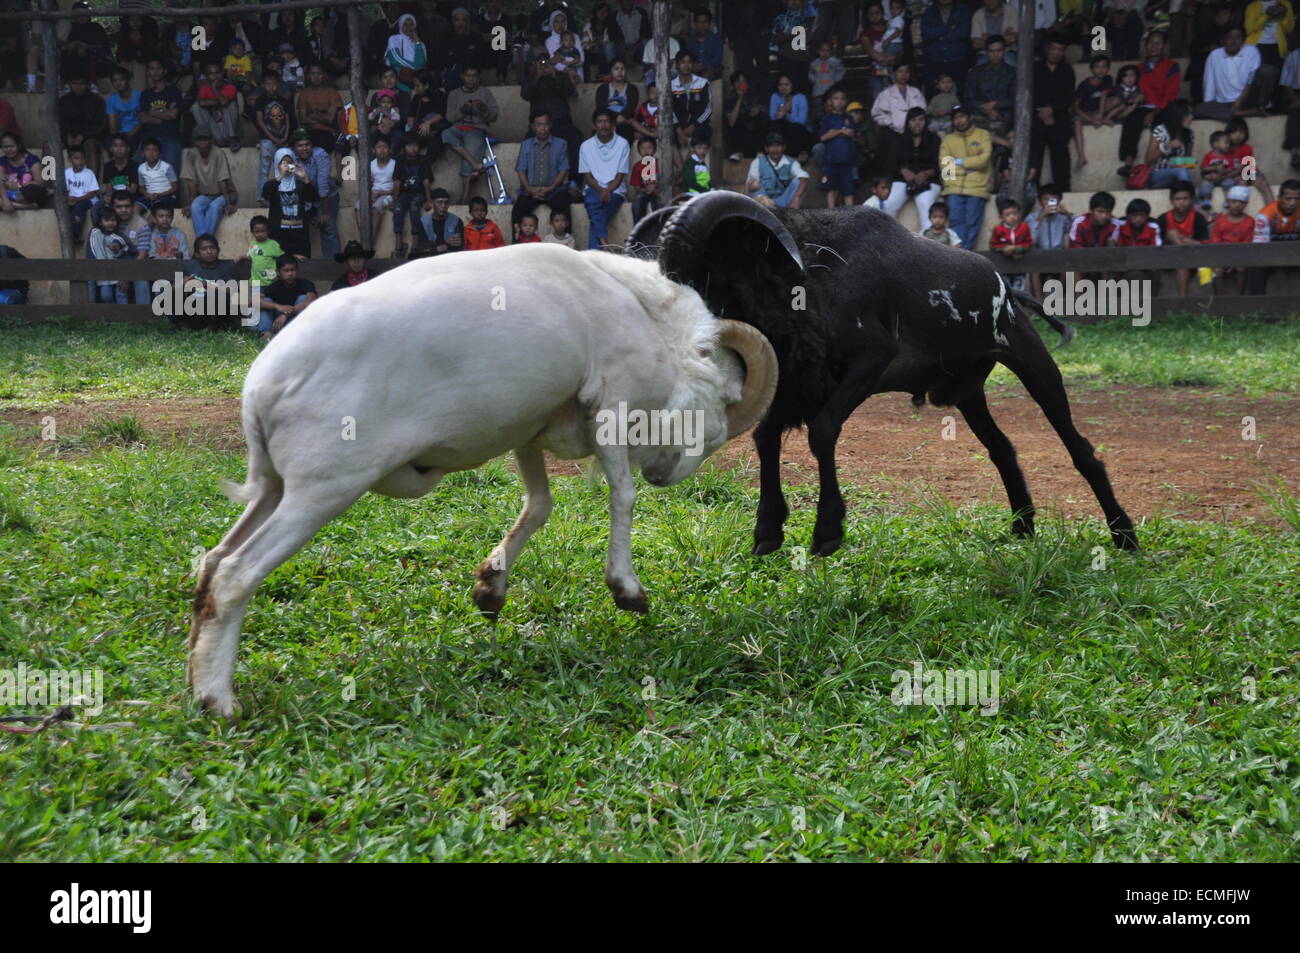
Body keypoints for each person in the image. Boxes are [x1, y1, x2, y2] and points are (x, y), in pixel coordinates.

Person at [1118, 31, 1180, 177]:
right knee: (1132, 120)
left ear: (1164, 46)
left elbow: (1171, 92)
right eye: (1151, 43)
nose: (1154, 46)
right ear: (1145, 46)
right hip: (1144, 106)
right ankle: (1128, 163)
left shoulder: (1172, 66)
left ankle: (1178, 163)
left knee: (1172, 120)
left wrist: (1156, 111)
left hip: (1165, 106)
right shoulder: (1138, 69)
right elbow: (1133, 90)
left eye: (1158, 43)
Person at [443, 66, 499, 204]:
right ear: (462, 77)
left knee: (469, 155)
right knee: (445, 134)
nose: (471, 79)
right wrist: (463, 110)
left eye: (474, 76)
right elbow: (449, 117)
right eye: (468, 75)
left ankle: (464, 199)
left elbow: (494, 116)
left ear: (478, 77)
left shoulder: (485, 92)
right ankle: (475, 163)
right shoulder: (454, 94)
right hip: (457, 127)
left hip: (476, 129)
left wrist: (483, 109)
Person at [939, 104, 991, 249]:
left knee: (972, 223)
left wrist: (959, 162)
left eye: (962, 116)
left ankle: (965, 260)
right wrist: (970, 167)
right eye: (955, 118)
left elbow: (984, 160)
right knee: (955, 222)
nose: (959, 120)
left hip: (977, 187)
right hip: (953, 188)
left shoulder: (983, 135)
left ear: (969, 117)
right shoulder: (948, 139)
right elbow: (946, 167)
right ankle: (959, 260)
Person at [1196, 26, 1277, 119]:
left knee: (1267, 70)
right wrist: (1208, 105)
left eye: (1238, 37)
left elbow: (1251, 82)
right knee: (1199, 109)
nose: (1233, 41)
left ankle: (1259, 108)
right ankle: (1248, 113)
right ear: (1223, 41)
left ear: (1243, 40)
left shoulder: (1251, 51)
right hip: (1224, 104)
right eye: (1230, 37)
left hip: (1247, 100)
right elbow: (1209, 82)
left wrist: (1239, 102)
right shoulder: (1214, 55)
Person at [514, 111, 571, 236]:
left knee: (564, 207)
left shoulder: (561, 144)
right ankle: (517, 242)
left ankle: (566, 244)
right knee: (518, 210)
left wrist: (551, 188)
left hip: (554, 190)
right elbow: (521, 170)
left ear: (550, 125)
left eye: (545, 124)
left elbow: (563, 170)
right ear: (533, 127)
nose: (542, 128)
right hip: (531, 190)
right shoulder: (526, 144)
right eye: (538, 125)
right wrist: (529, 189)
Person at [580, 109, 630, 250]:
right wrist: (601, 190)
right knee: (592, 200)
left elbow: (620, 174)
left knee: (596, 214)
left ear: (613, 124)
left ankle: (598, 245)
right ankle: (603, 241)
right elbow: (587, 176)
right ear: (594, 125)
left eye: (607, 121)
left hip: (615, 190)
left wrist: (608, 190)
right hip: (594, 188)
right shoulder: (585, 146)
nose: (603, 125)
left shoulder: (623, 144)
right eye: (600, 122)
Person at [1030, 36, 1075, 193]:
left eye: (1060, 50)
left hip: (1059, 117)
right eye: (1054, 49)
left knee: (1061, 155)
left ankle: (1063, 190)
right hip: (1036, 116)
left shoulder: (1067, 70)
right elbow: (1029, 93)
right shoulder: (1035, 68)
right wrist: (1042, 111)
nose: (1056, 53)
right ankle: (1032, 189)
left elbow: (1069, 96)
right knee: (1034, 154)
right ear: (1047, 49)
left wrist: (1052, 110)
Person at [881, 107, 942, 222]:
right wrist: (902, 170)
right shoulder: (900, 140)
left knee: (926, 206)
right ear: (908, 122)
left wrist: (927, 173)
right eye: (913, 120)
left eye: (921, 120)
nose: (917, 124)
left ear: (926, 121)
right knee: (889, 204)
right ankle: (889, 237)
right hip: (903, 180)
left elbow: (943, 164)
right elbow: (890, 164)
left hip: (929, 181)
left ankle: (926, 239)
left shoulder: (934, 139)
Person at [292, 129, 339, 260]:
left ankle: (332, 265)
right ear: (294, 148)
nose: (304, 148)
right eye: (300, 145)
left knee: (329, 228)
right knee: (298, 228)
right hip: (305, 197)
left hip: (326, 196)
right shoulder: (292, 158)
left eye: (307, 144)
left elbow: (323, 186)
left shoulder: (320, 154)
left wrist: (325, 212)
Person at [1156, 181, 1210, 296]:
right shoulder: (1163, 219)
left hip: (1193, 258)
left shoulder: (1198, 218)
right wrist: (1173, 240)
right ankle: (1183, 304)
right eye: (1177, 199)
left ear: (1191, 200)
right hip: (1169, 257)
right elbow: (1157, 247)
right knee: (1172, 234)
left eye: (1185, 199)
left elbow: (1205, 245)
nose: (1181, 202)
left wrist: (1190, 242)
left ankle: (1185, 303)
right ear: (1171, 201)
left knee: (1185, 263)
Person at [262, 146, 317, 258]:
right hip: (278, 237)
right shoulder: (272, 185)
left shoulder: (300, 185)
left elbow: (313, 197)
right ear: (277, 164)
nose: (287, 166)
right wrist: (281, 176)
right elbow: (266, 195)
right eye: (283, 163)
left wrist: (305, 178)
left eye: (290, 162)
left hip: (299, 238)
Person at [872, 63, 928, 173]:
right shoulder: (886, 93)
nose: (903, 75)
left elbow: (923, 111)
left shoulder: (915, 92)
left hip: (915, 131)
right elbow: (876, 113)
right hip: (894, 131)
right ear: (895, 74)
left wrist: (917, 124)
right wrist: (891, 122)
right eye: (900, 71)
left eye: (906, 72)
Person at [181, 131, 236, 242]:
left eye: (205, 139)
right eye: (198, 140)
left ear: (211, 141)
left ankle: (202, 245)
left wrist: (229, 203)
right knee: (195, 206)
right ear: (194, 142)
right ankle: (206, 244)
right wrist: (190, 204)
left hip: (226, 194)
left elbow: (222, 180)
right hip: (205, 195)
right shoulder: (191, 154)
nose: (202, 143)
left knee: (214, 207)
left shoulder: (218, 153)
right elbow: (191, 182)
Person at [1248, 178, 1300, 294]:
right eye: (1288, 198)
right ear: (1279, 197)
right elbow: (1260, 248)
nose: (1292, 203)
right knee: (1255, 266)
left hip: (1296, 254)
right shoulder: (1265, 215)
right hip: (1272, 255)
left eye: (1297, 199)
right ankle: (1258, 306)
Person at [179, 234, 240, 330]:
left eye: (212, 248)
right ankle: (183, 324)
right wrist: (183, 283)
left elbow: (233, 291)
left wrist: (206, 284)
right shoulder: (189, 266)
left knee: (218, 295)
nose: (209, 251)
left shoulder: (228, 266)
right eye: (204, 249)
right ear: (197, 254)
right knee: (167, 294)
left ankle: (213, 326)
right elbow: (175, 287)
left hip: (218, 312)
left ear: (218, 250)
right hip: (195, 309)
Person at [966, 34, 1016, 142]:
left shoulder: (1013, 73)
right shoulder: (976, 72)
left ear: (1004, 51)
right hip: (979, 117)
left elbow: (1015, 100)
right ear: (986, 52)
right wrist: (986, 108)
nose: (995, 54)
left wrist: (996, 104)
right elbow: (968, 99)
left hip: (1003, 118)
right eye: (991, 51)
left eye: (999, 51)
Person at [137, 59, 183, 174]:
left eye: (158, 68)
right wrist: (162, 118)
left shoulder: (174, 92)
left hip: (169, 136)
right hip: (148, 137)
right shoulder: (145, 94)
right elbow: (142, 118)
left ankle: (172, 193)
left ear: (164, 71)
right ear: (148, 72)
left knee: (171, 173)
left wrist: (152, 113)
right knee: (137, 168)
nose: (155, 72)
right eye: (152, 69)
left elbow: (173, 115)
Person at [1026, 185, 1072, 296]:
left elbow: (1076, 229)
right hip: (1039, 254)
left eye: (1052, 199)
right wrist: (1040, 218)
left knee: (1067, 269)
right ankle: (1037, 302)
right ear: (1040, 201)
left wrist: (1068, 213)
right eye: (1045, 199)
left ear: (1059, 201)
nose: (1048, 202)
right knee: (1034, 270)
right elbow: (1030, 239)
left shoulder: (1063, 217)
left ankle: (1057, 299)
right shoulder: (1032, 218)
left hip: (1059, 254)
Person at [921, 0, 972, 96]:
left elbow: (963, 32)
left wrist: (939, 37)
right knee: (931, 93)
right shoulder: (928, 12)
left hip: (957, 58)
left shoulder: (963, 10)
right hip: (935, 59)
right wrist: (948, 28)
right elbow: (926, 34)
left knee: (962, 94)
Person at [746, 131, 810, 209]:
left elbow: (804, 178)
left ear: (783, 148)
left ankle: (791, 212)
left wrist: (796, 198)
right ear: (766, 148)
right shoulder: (758, 162)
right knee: (755, 188)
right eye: (772, 146)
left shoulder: (791, 162)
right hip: (764, 202)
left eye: (778, 146)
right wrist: (753, 186)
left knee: (798, 182)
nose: (775, 149)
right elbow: (749, 187)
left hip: (784, 201)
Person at [258, 255, 317, 339]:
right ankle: (266, 334)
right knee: (266, 301)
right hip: (277, 324)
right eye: (286, 270)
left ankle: (294, 334)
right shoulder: (274, 287)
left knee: (303, 298)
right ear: (278, 272)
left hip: (293, 322)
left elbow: (312, 300)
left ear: (297, 270)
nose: (290, 273)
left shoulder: (305, 284)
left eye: (293, 270)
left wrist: (286, 314)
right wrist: (278, 307)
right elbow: (254, 301)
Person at [59, 75, 108, 175]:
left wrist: (82, 136)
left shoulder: (97, 100)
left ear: (88, 85)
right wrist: (67, 135)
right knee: (48, 146)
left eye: (81, 83)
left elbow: (100, 125)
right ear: (70, 85)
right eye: (74, 84)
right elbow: (61, 122)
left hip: (90, 137)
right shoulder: (64, 100)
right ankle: (49, 185)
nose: (78, 87)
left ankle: (91, 184)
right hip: (68, 138)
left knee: (91, 145)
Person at [1211, 185, 1256, 292]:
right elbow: (1215, 241)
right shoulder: (1220, 221)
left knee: (1241, 268)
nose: (1237, 205)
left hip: (1241, 254)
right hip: (1221, 253)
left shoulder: (1249, 222)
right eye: (1234, 201)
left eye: (1241, 202)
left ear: (1246, 204)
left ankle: (1240, 298)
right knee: (1217, 269)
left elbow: (1247, 243)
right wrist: (1224, 257)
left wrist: (1236, 258)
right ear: (1228, 202)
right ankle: (1219, 300)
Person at [393, 137, 433, 257]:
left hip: (418, 193)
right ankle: (399, 246)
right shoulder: (400, 160)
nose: (413, 148)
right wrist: (394, 200)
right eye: (409, 145)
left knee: (415, 208)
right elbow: (397, 182)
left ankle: (415, 247)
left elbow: (426, 181)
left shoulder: (423, 160)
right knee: (398, 209)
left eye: (415, 145)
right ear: (404, 147)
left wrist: (428, 200)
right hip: (404, 194)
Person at [1143, 100, 1196, 189]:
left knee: (1181, 171)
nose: (1191, 117)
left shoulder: (1190, 134)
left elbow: (1190, 163)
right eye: (1188, 114)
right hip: (1157, 176)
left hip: (1177, 177)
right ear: (1178, 115)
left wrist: (1176, 162)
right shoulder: (1161, 130)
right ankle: (1194, 202)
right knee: (1181, 171)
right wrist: (1166, 146)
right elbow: (1148, 160)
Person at [818, 87, 857, 207]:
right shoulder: (826, 119)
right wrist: (840, 131)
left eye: (842, 99)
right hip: (830, 160)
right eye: (836, 99)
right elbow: (823, 137)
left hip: (846, 160)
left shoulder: (849, 118)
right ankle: (831, 214)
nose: (839, 102)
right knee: (830, 188)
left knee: (848, 190)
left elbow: (853, 133)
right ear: (830, 101)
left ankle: (850, 215)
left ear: (846, 101)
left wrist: (839, 132)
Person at [1073, 55, 1114, 169]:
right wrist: (1091, 119)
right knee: (1076, 123)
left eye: (1104, 67)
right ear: (1091, 69)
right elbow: (1076, 107)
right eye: (1097, 67)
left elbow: (1104, 96)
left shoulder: (1107, 79)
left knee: (1117, 100)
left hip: (1098, 111)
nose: (1101, 70)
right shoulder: (1084, 85)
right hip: (1085, 112)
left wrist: (1100, 117)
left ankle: (1104, 119)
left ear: (1108, 69)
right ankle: (1081, 157)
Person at [86, 203, 132, 304]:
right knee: (105, 296)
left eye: (113, 220)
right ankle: (112, 316)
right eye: (107, 220)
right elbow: (92, 250)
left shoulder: (118, 235)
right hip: (101, 271)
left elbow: (128, 249)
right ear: (100, 222)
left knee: (121, 294)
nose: (111, 223)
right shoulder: (95, 233)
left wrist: (117, 246)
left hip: (118, 270)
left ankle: (125, 317)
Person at [670, 52, 712, 160]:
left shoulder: (703, 83)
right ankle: (681, 168)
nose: (686, 65)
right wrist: (679, 131)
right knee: (667, 133)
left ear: (693, 65)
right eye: (683, 62)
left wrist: (693, 126)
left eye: (689, 62)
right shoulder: (671, 85)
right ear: (677, 65)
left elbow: (708, 109)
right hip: (679, 125)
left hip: (698, 125)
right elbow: (670, 110)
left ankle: (686, 168)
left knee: (705, 131)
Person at [191, 62, 242, 150]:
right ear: (206, 77)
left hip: (229, 127)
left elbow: (224, 102)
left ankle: (231, 139)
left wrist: (214, 88)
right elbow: (201, 103)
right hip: (214, 129)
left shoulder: (230, 88)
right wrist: (220, 102)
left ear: (222, 74)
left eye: (217, 73)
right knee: (195, 107)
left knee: (231, 105)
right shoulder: (204, 89)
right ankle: (209, 138)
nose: (215, 76)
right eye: (211, 74)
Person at [297, 63, 344, 155]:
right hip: (309, 132)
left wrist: (311, 116)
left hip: (328, 132)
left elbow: (330, 119)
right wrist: (321, 118)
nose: (316, 77)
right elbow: (302, 119)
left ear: (323, 75)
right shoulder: (304, 94)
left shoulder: (332, 93)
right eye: (313, 74)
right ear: (308, 76)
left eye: (319, 74)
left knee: (321, 146)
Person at [724, 71, 768, 160]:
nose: (741, 84)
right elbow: (731, 122)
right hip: (740, 140)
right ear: (733, 85)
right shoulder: (730, 102)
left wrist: (758, 109)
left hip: (755, 138)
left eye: (743, 81)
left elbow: (767, 111)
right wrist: (740, 98)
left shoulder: (755, 97)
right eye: (737, 82)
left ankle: (760, 151)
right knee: (738, 120)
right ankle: (739, 152)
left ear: (747, 84)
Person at [595, 59, 640, 145]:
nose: (620, 72)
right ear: (611, 72)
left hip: (625, 122)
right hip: (608, 122)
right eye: (616, 69)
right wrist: (615, 118)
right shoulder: (602, 89)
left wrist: (621, 117)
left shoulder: (632, 89)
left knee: (625, 131)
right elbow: (601, 107)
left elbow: (631, 107)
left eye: (622, 69)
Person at [770, 73, 813, 159]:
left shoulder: (801, 97)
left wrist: (786, 114)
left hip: (800, 131)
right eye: (780, 85)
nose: (783, 87)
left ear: (792, 85)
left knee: (794, 127)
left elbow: (801, 121)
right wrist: (779, 115)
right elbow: (772, 117)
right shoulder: (775, 96)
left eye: (787, 84)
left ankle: (796, 155)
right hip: (782, 128)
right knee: (774, 125)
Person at [64, 145, 100, 241]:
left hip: (87, 199)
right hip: (72, 199)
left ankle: (75, 234)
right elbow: (65, 190)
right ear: (70, 159)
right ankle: (67, 232)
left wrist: (77, 199)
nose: (80, 161)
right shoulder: (66, 173)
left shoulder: (89, 173)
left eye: (82, 158)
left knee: (79, 207)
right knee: (64, 207)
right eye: (76, 158)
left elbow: (92, 192)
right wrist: (68, 198)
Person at [385, 14, 427, 93]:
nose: (408, 27)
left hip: (414, 82)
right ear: (401, 25)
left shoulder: (420, 44)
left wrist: (417, 42)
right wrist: (415, 68)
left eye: (411, 24)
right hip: (398, 80)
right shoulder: (394, 39)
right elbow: (395, 59)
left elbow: (421, 63)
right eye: (405, 24)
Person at [101, 135, 143, 209]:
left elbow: (133, 190)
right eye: (115, 146)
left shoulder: (134, 166)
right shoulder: (108, 166)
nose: (119, 149)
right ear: (111, 149)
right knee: (98, 207)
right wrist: (107, 195)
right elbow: (108, 188)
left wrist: (116, 192)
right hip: (114, 197)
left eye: (122, 145)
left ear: (128, 149)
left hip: (130, 197)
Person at [418, 188, 464, 255]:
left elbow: (458, 245)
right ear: (432, 203)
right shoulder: (423, 222)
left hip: (450, 258)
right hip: (430, 259)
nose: (443, 206)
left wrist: (439, 246)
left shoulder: (456, 221)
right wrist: (446, 243)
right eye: (439, 202)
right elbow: (422, 246)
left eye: (446, 202)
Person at [1199, 130, 1236, 209]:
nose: (1228, 145)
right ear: (1215, 144)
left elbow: (1231, 169)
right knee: (1205, 184)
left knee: (1229, 182)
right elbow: (1203, 168)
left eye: (1229, 143)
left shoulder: (1229, 156)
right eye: (1225, 142)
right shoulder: (1209, 156)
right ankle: (1206, 201)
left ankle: (1227, 200)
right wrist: (1213, 169)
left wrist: (1224, 171)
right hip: (1211, 179)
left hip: (1223, 178)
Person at [137, 137, 178, 207]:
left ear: (160, 154)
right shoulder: (141, 168)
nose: (151, 153)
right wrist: (147, 195)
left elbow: (175, 187)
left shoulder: (167, 167)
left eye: (155, 150)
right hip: (149, 197)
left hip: (166, 197)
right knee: (136, 206)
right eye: (148, 150)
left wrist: (160, 194)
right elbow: (141, 188)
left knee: (156, 206)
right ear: (142, 153)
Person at [629, 136, 661, 221]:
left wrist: (655, 188)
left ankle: (658, 229)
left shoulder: (659, 164)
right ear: (639, 151)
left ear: (654, 150)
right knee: (638, 201)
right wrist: (646, 190)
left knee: (659, 203)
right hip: (642, 193)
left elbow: (663, 181)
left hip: (657, 192)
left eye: (649, 148)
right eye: (643, 148)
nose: (646, 151)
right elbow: (636, 187)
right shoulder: (637, 166)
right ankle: (639, 229)